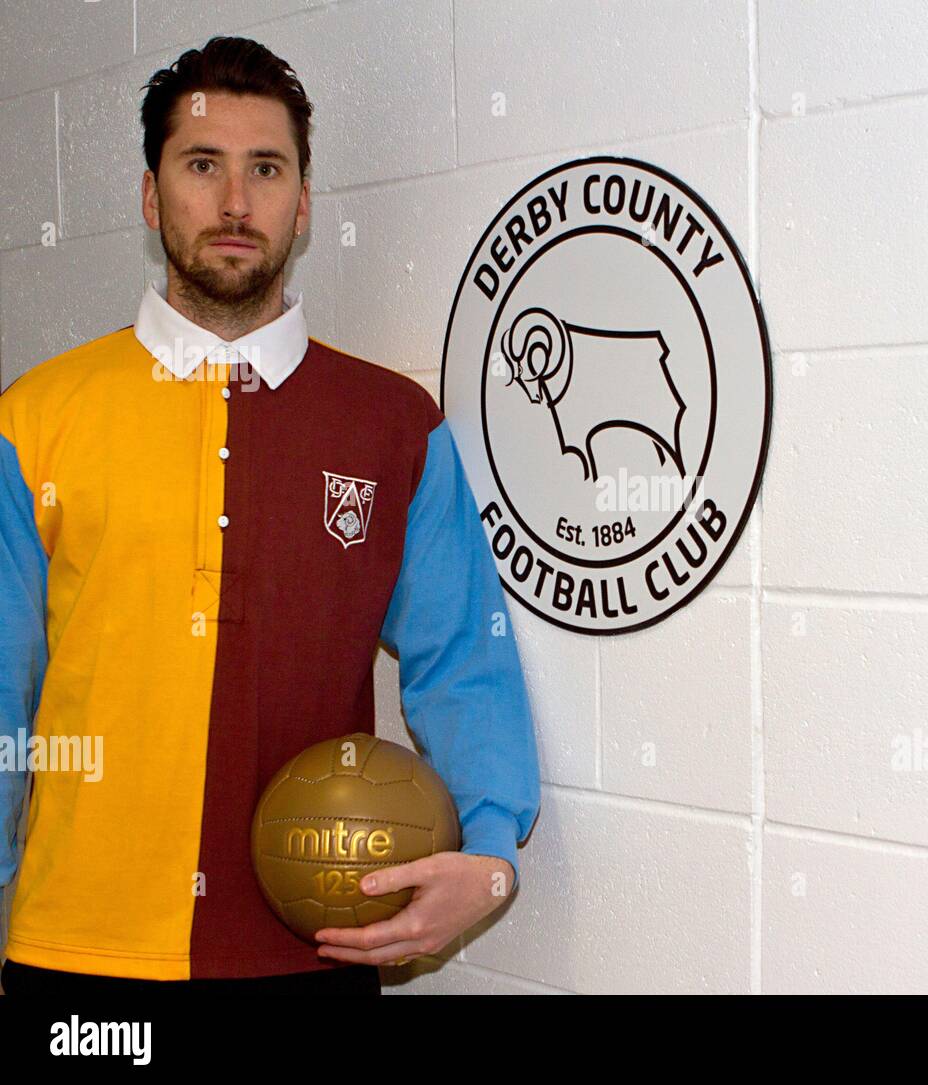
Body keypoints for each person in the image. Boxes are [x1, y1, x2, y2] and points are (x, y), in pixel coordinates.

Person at [0, 35, 541, 996]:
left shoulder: (395, 426)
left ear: (302, 203)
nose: (236, 202)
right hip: (78, 958)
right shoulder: (35, 418)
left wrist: (489, 852)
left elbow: (463, 658)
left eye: (267, 169)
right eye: (202, 165)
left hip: (315, 951)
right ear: (150, 193)